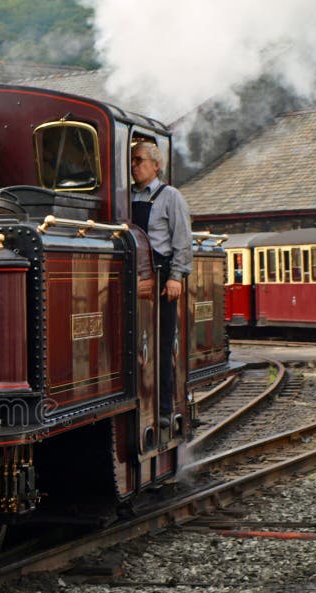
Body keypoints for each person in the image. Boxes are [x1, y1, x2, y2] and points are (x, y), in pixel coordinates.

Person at [130, 141, 192, 429]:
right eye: (131, 161)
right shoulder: (126, 197)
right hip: (135, 272)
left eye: (139, 160)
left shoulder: (171, 197)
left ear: (156, 165)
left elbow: (181, 241)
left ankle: (165, 408)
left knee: (164, 343)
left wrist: (175, 277)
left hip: (162, 273)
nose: (134, 166)